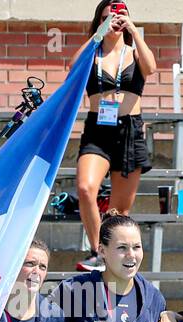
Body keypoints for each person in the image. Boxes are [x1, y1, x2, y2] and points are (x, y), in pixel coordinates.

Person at [73, 1, 157, 271]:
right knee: (86, 187)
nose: (114, 21)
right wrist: (98, 34)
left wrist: (133, 29)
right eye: (108, 17)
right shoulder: (93, 53)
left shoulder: (133, 52)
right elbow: (73, 68)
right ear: (99, 21)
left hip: (129, 129)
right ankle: (98, 250)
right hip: (98, 129)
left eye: (120, 16)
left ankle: (115, 259)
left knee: (119, 212)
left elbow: (151, 68)